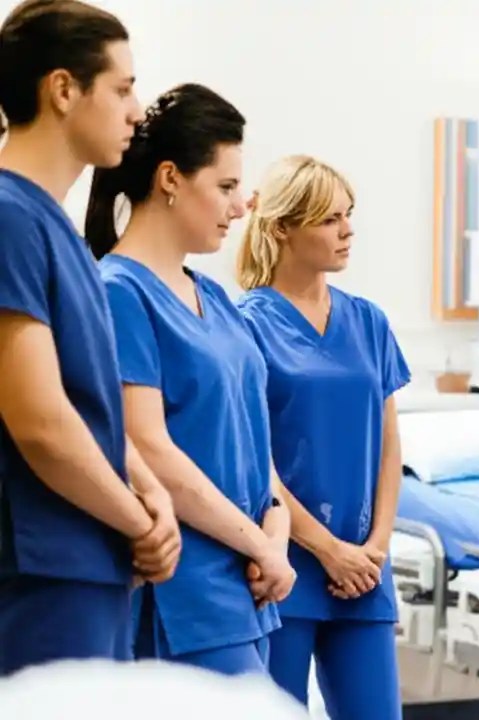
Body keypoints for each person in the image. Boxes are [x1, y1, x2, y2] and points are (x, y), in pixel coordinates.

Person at [83, 83, 296, 675]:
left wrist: (277, 527)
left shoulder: (218, 300)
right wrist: (258, 544)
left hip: (250, 589)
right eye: (225, 187)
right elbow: (147, 450)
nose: (242, 206)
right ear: (170, 179)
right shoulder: (119, 293)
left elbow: (252, 440)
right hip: (187, 595)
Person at [0, 0, 180, 676]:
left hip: (90, 559)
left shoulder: (59, 234)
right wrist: (139, 521)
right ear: (63, 89)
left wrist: (150, 492)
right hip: (44, 569)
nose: (136, 112)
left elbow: (88, 405)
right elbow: (41, 423)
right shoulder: (10, 218)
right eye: (123, 89)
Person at [235, 155, 410, 719]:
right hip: (284, 565)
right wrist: (329, 550)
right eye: (330, 219)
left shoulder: (369, 322)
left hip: (364, 570)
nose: (348, 230)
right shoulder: (246, 324)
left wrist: (374, 548)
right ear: (283, 227)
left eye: (348, 214)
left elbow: (389, 445)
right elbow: (255, 461)